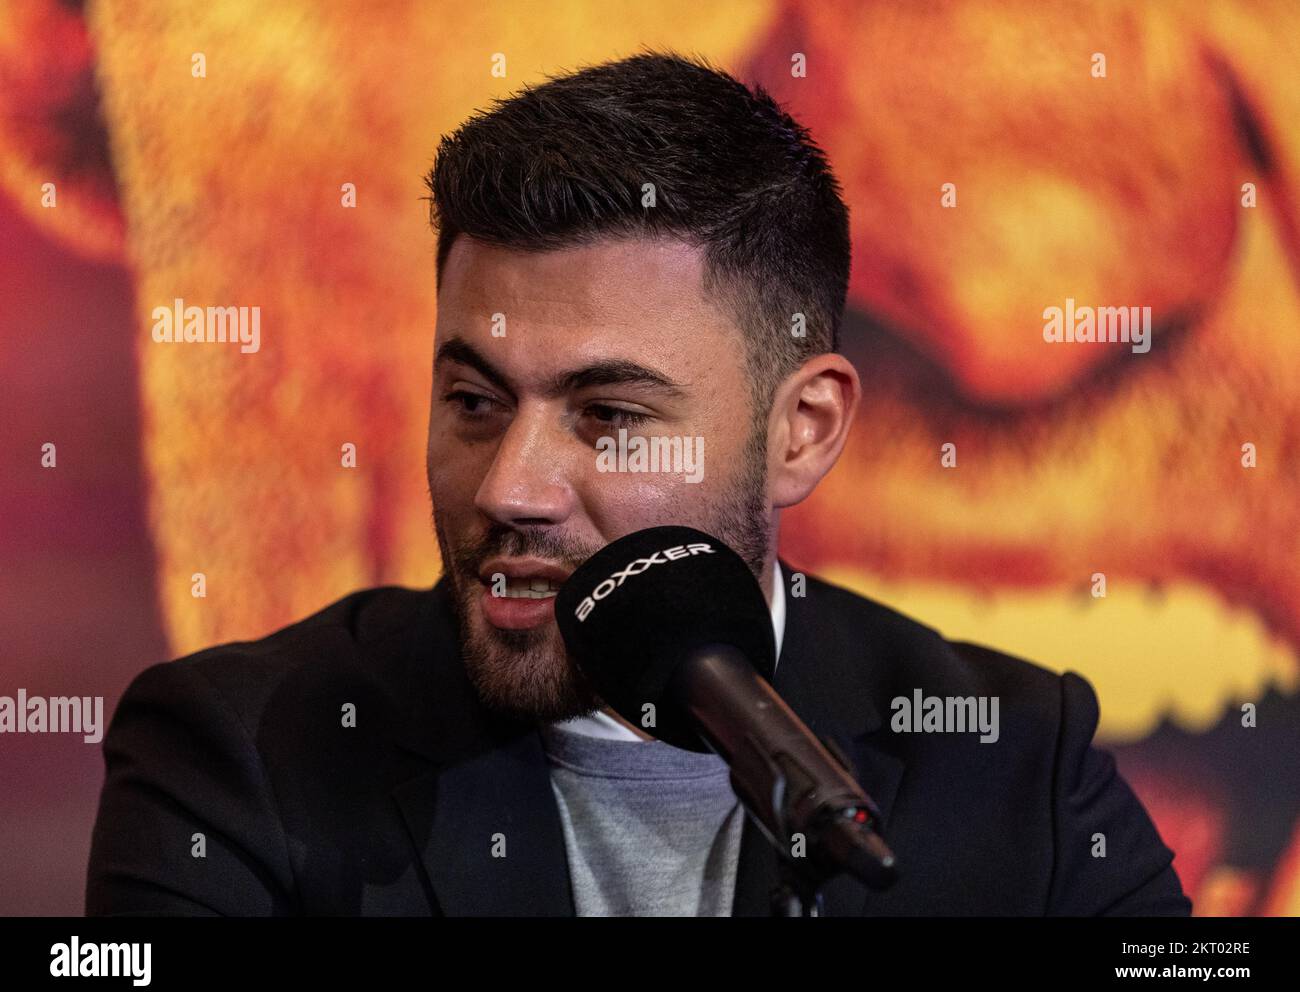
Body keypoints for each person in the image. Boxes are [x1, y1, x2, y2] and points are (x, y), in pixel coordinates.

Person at [85, 50, 1191, 917]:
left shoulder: (1010, 758)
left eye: (608, 416)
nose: (510, 488)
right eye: (474, 402)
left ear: (800, 431)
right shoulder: (238, 754)